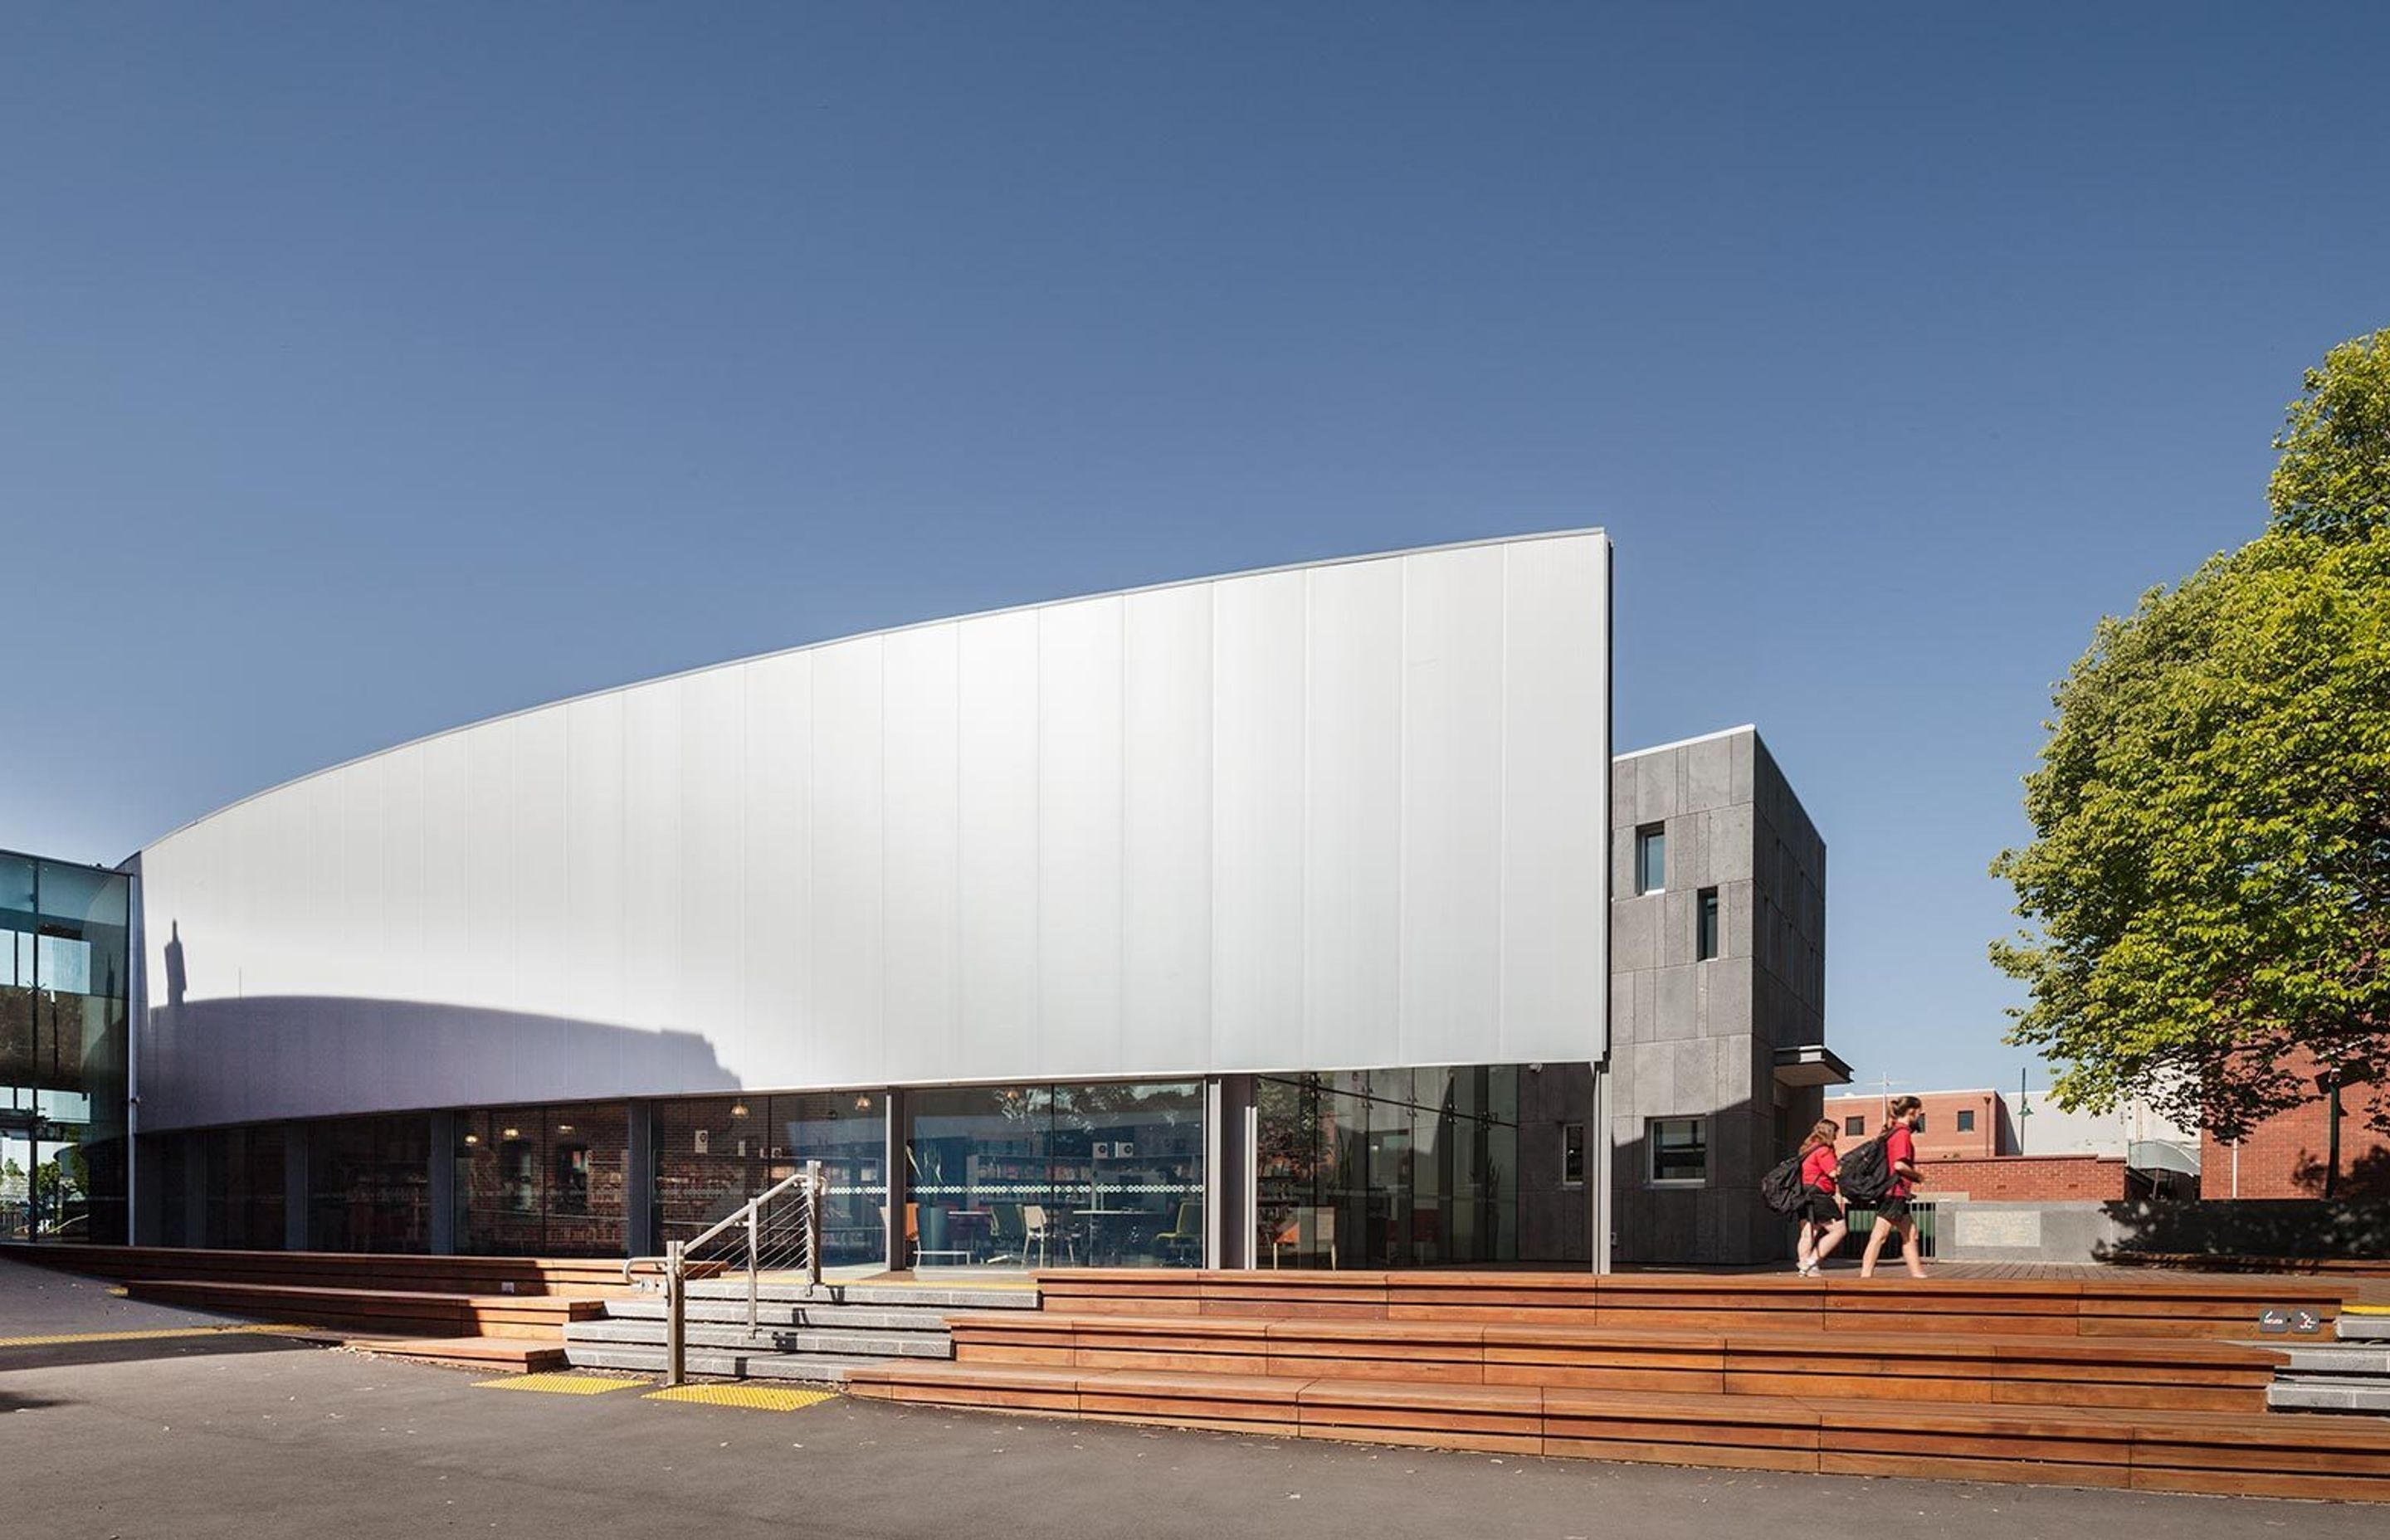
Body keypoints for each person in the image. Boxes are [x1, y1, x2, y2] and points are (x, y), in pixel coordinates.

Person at [1859, 1094, 1929, 1279]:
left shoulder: (1893, 1131)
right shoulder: (1902, 1134)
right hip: (1894, 1191)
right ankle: (1865, 1276)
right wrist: (1918, 1176)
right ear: (1912, 1111)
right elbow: (1899, 1165)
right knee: (1880, 1235)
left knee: (1911, 1233)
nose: (1919, 1117)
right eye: (1919, 1113)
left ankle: (1918, 1275)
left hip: (1895, 1191)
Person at [1792, 1118, 1846, 1277]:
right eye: (1835, 1133)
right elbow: (1832, 1172)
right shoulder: (1823, 1150)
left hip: (1803, 1194)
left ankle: (1804, 1267)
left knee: (1809, 1232)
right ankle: (1811, 1261)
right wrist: (1841, 1168)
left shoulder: (1807, 1149)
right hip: (1819, 1194)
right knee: (1839, 1230)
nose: (1836, 1137)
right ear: (1830, 1132)